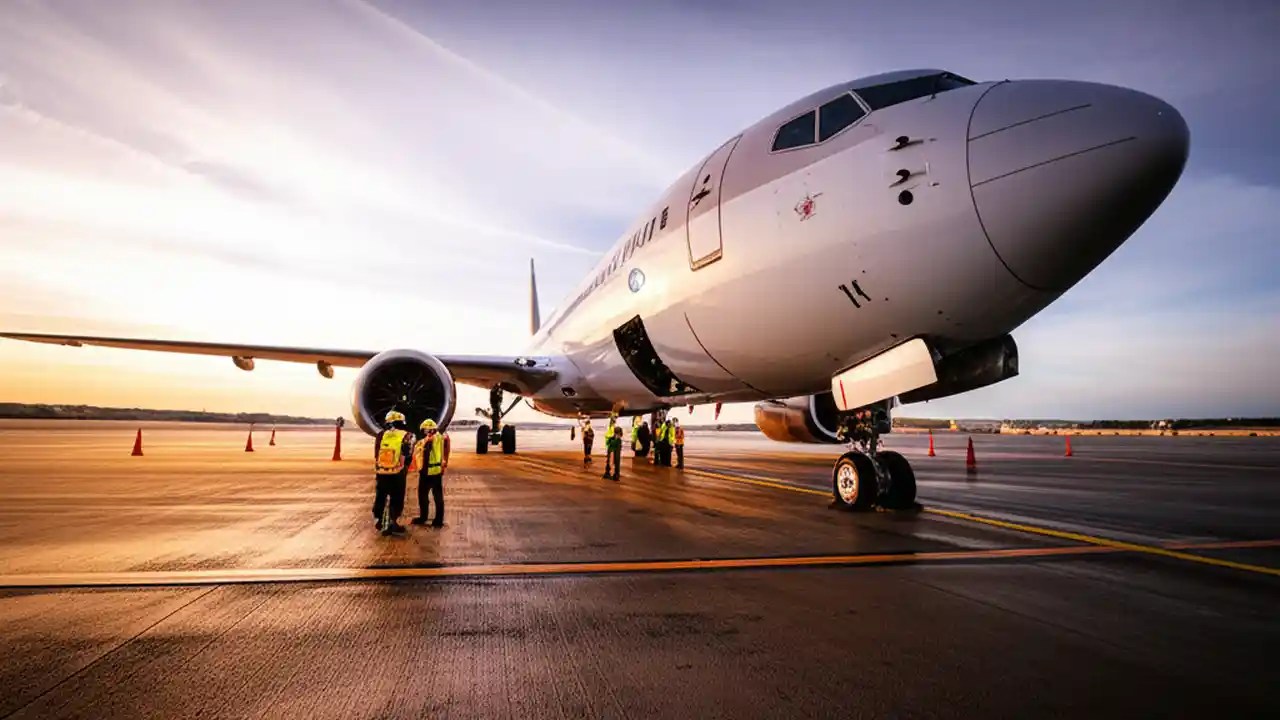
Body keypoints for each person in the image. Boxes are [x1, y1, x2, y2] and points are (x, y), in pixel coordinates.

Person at [373, 410, 413, 535]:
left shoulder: (381, 434)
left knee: (381, 495)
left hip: (382, 471)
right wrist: (404, 466)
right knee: (396, 497)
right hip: (398, 471)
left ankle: (379, 519)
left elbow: (376, 452)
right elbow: (408, 453)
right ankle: (392, 522)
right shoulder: (406, 435)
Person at [410, 418, 450, 528]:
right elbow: (446, 447)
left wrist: (422, 469)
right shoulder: (441, 437)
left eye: (424, 430)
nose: (423, 433)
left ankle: (423, 517)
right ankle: (438, 520)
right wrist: (444, 463)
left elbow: (425, 454)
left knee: (422, 495)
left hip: (427, 472)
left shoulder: (429, 440)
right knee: (438, 497)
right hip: (437, 471)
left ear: (429, 430)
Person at [603, 413, 622, 481]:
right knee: (615, 462)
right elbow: (610, 440)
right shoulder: (613, 432)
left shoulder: (611, 430)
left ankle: (609, 473)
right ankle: (615, 475)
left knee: (610, 462)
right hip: (613, 450)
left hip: (611, 450)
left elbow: (608, 440)